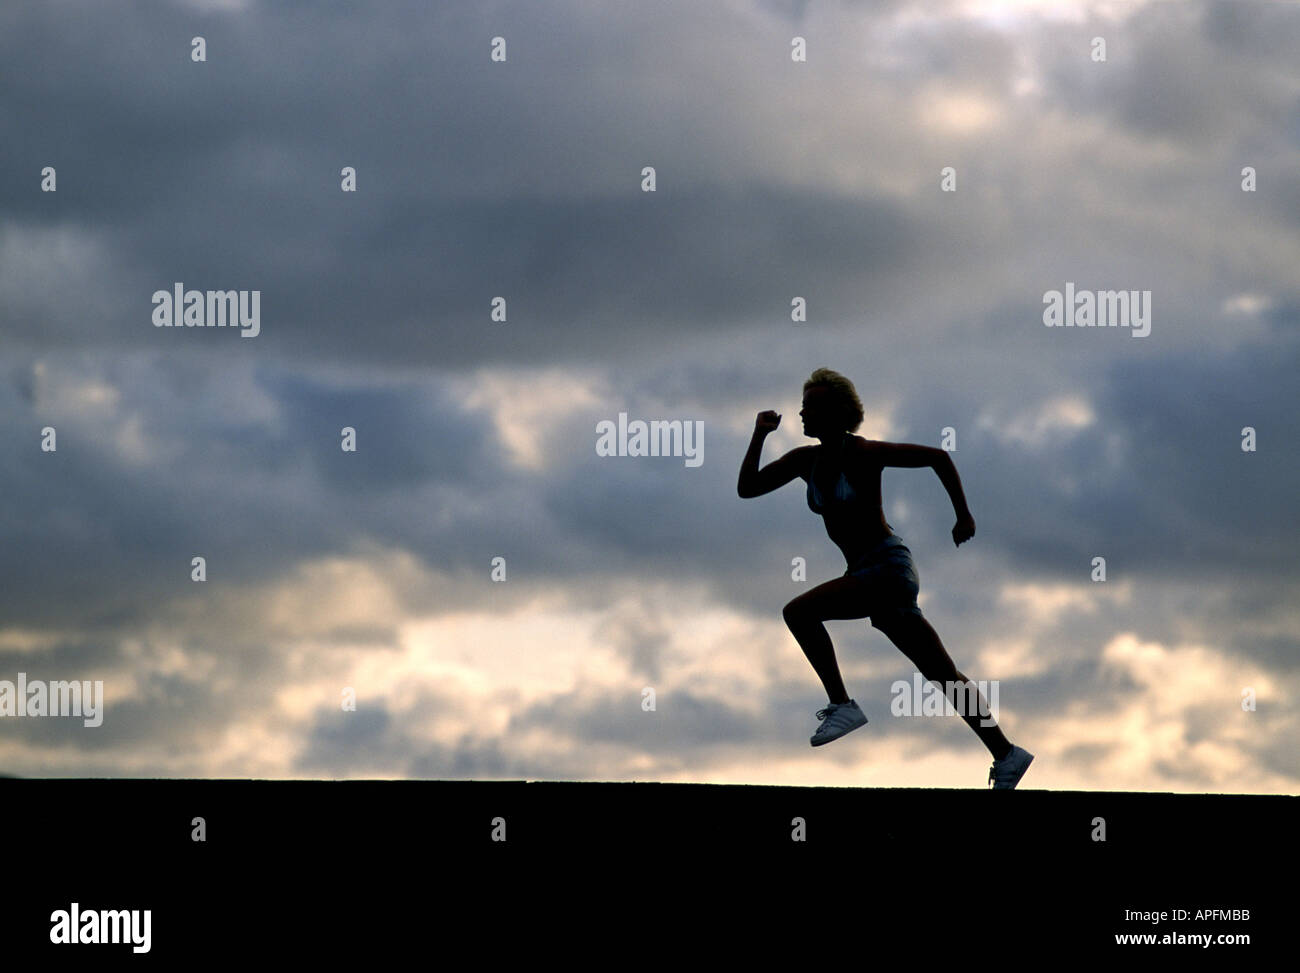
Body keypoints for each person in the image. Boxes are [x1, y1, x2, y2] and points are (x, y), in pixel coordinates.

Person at [737, 367, 1034, 789]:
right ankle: (1006, 753)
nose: (803, 415)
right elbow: (747, 488)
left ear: (839, 412)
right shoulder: (806, 461)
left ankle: (842, 704)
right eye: (803, 407)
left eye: (813, 407)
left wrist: (962, 514)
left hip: (887, 567)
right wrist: (760, 435)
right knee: (942, 673)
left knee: (799, 613)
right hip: (868, 575)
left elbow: (938, 457)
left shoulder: (865, 453)